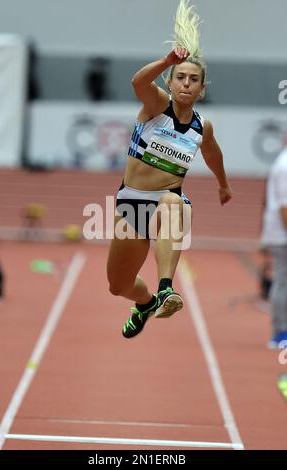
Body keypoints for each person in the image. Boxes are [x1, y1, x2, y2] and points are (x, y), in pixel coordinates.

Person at [107, 0, 232, 339]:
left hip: (166, 200)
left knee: (173, 204)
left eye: (194, 80)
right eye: (180, 77)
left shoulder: (202, 127)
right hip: (130, 203)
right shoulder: (157, 105)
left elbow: (213, 153)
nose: (187, 84)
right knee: (117, 285)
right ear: (171, 81)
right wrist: (166, 60)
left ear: (202, 89)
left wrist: (223, 184)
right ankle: (146, 302)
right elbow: (137, 82)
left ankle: (165, 288)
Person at [261, 137, 287, 348]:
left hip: (280, 233)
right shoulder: (285, 166)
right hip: (282, 235)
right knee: (282, 281)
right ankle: (280, 333)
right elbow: (284, 207)